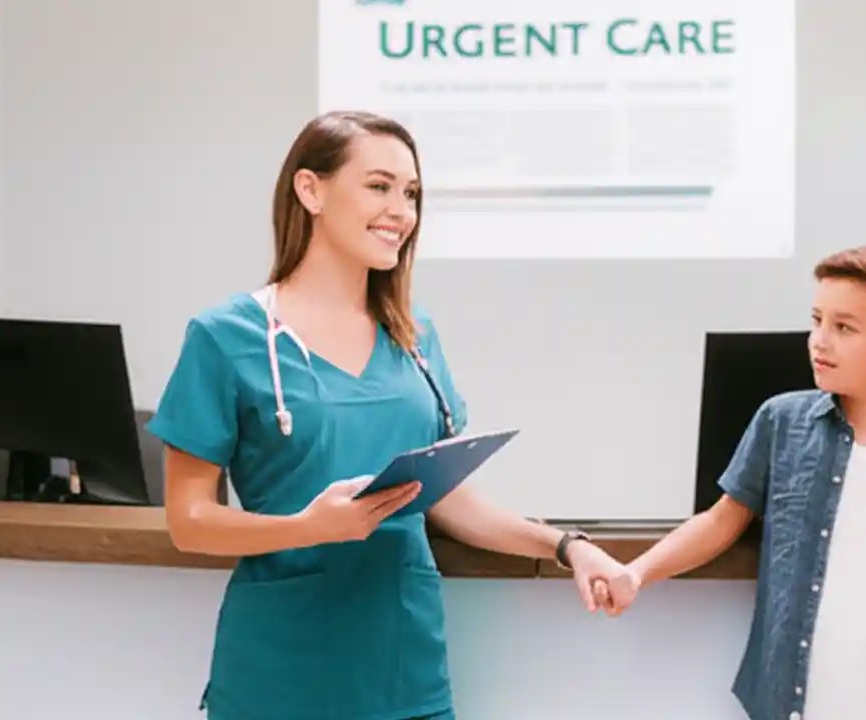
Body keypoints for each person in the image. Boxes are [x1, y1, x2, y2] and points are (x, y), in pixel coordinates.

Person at [147, 110, 630, 720]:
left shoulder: (414, 336)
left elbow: (439, 497)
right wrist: (311, 527)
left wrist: (566, 546)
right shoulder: (227, 338)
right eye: (379, 186)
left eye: (412, 193)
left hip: (405, 671)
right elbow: (189, 520)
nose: (401, 210)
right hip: (281, 674)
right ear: (310, 189)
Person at [599, 246, 866, 720]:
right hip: (795, 704)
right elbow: (722, 519)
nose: (818, 341)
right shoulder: (781, 422)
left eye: (843, 327)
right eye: (817, 320)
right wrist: (637, 572)